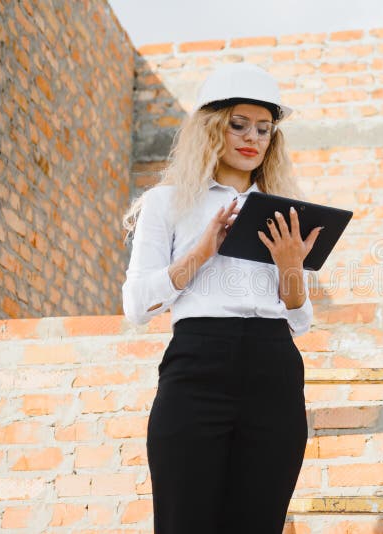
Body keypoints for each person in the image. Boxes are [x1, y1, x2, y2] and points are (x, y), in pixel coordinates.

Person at [121, 62, 323, 534]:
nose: (252, 137)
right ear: (213, 126)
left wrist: (291, 266)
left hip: (273, 367)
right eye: (239, 125)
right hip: (197, 365)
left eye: (264, 129)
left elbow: (300, 320)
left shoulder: (283, 208)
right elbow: (136, 306)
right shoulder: (167, 202)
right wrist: (203, 250)